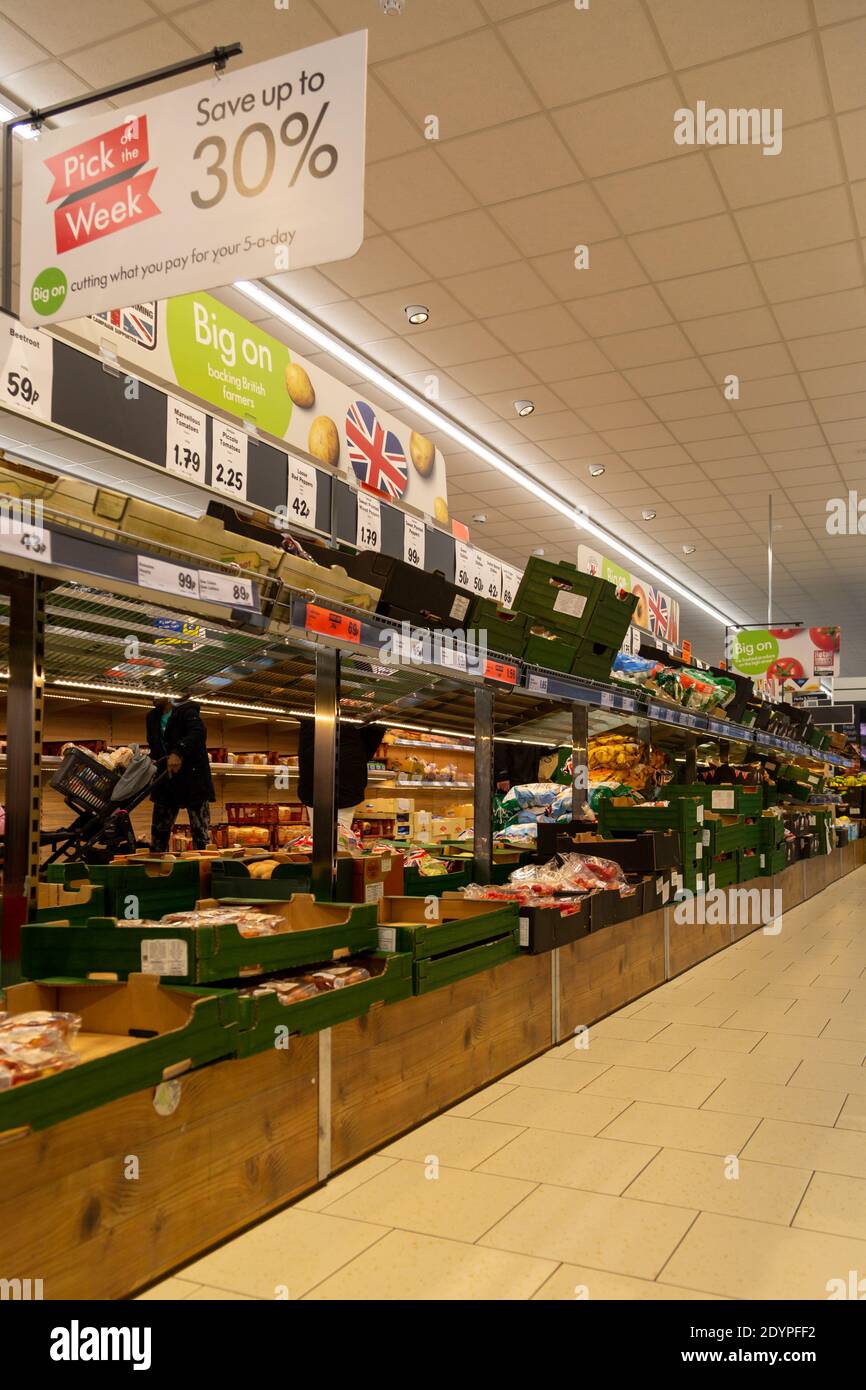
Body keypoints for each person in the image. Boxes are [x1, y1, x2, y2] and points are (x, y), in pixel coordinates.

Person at [146, 693, 215, 852]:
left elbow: (197, 734)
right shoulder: (152, 717)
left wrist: (178, 752)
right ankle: (157, 865)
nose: (152, 696)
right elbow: (154, 745)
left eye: (156, 692)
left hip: (193, 777)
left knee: (200, 830)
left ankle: (203, 867)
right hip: (166, 778)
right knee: (159, 830)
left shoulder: (187, 711)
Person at [297, 719, 384, 837]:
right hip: (346, 778)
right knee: (338, 839)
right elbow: (375, 731)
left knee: (321, 838)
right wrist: (358, 756)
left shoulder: (313, 709)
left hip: (313, 774)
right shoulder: (359, 710)